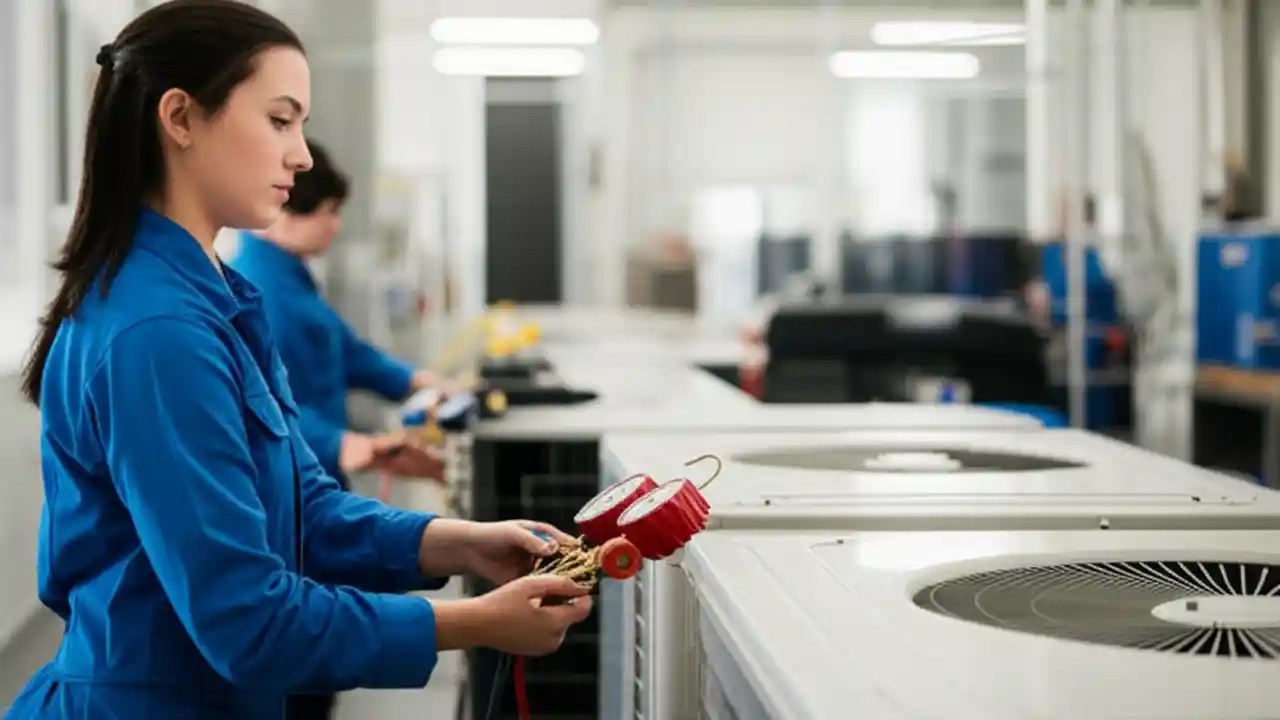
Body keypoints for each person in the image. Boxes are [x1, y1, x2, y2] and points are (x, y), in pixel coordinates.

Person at [6, 2, 591, 719]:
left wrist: (457, 545)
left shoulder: (214, 299)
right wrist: (477, 622)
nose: (303, 155)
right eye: (280, 120)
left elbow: (298, 508)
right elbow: (245, 621)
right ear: (181, 118)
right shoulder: (158, 333)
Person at [230, 138, 450, 489]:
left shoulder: (291, 280)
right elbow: (257, 406)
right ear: (282, 210)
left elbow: (348, 352)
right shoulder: (260, 294)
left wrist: (418, 381)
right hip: (291, 478)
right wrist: (340, 443)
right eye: (328, 212)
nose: (336, 227)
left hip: (314, 470)